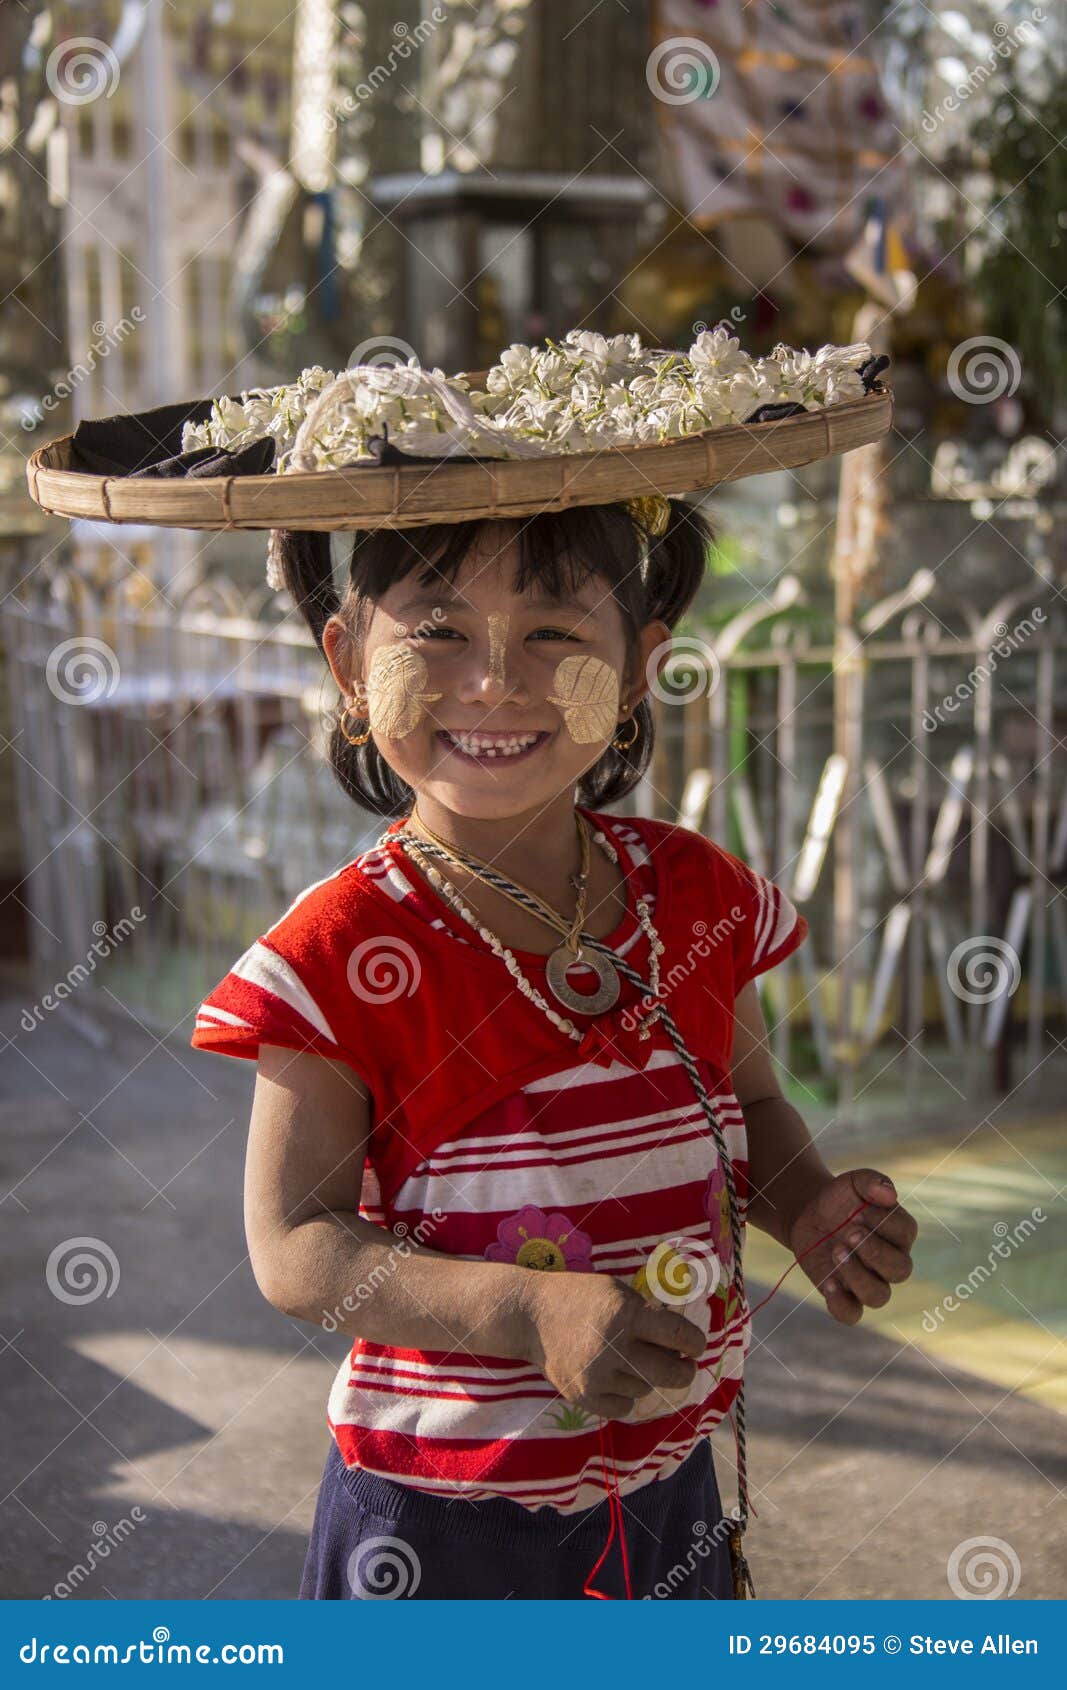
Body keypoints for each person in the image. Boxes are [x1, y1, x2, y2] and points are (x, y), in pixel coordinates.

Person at [190, 498, 917, 1600]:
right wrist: (525, 1311)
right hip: (440, 1528)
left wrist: (806, 1204)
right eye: (438, 631)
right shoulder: (335, 955)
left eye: (551, 632)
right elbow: (295, 1247)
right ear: (348, 666)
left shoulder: (696, 897)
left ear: (634, 673)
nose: (493, 681)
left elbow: (752, 1108)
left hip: (670, 1481)